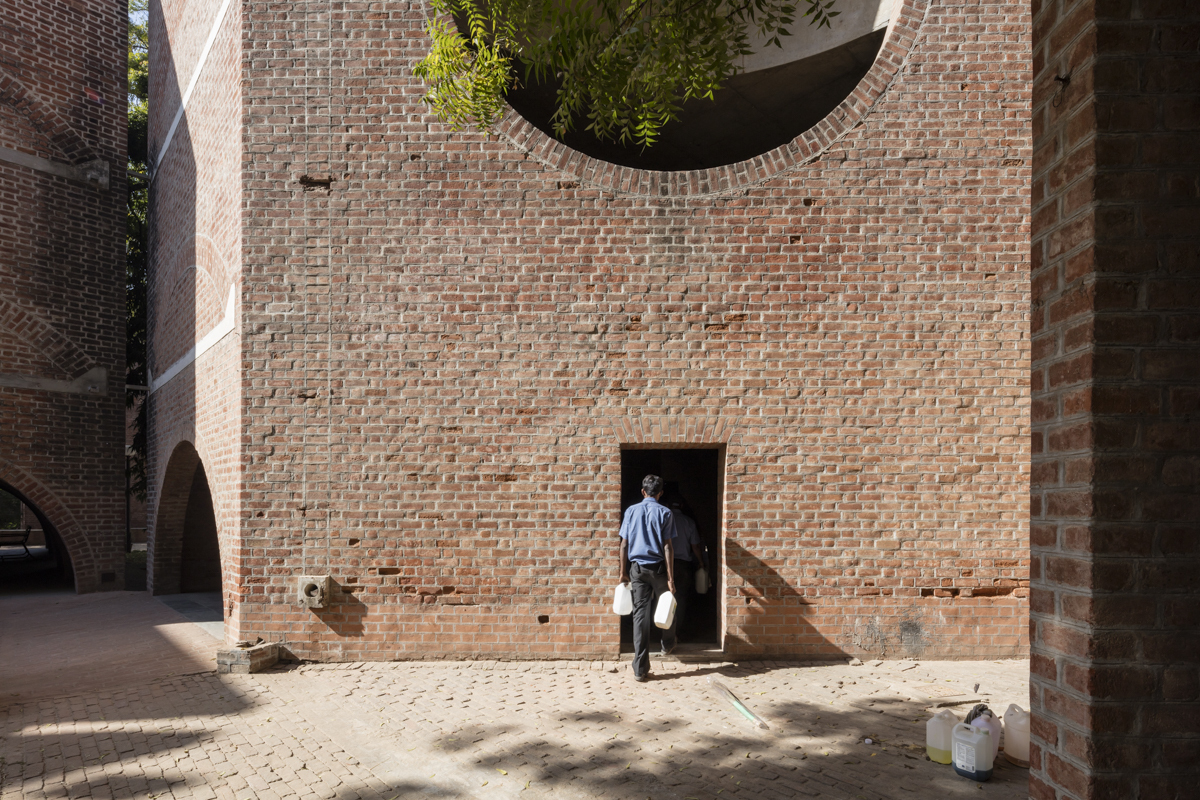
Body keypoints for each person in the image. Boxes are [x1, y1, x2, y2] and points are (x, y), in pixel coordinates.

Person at [618, 474, 678, 682]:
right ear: (660, 493)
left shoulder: (631, 511)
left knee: (640, 616)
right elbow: (668, 546)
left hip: (637, 569)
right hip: (659, 568)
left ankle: (640, 668)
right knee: (668, 605)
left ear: (643, 492)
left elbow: (624, 544)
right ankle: (667, 643)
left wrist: (622, 572)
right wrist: (671, 578)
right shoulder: (666, 513)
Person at [666, 497, 706, 639]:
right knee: (680, 598)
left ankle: (664, 631)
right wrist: (701, 562)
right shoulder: (689, 522)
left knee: (664, 597)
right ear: (681, 505)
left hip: (665, 565)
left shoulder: (663, 520)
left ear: (668, 505)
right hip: (683, 564)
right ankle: (677, 631)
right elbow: (695, 546)